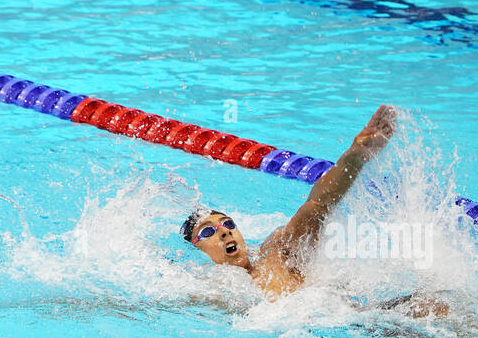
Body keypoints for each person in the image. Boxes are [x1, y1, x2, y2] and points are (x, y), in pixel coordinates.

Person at [181, 104, 448, 318]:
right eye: (209, 231)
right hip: (342, 336)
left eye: (228, 224)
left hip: (368, 322)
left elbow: (318, 205)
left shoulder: (276, 251)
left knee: (433, 306)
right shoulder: (208, 286)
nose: (225, 233)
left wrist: (355, 156)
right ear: (199, 248)